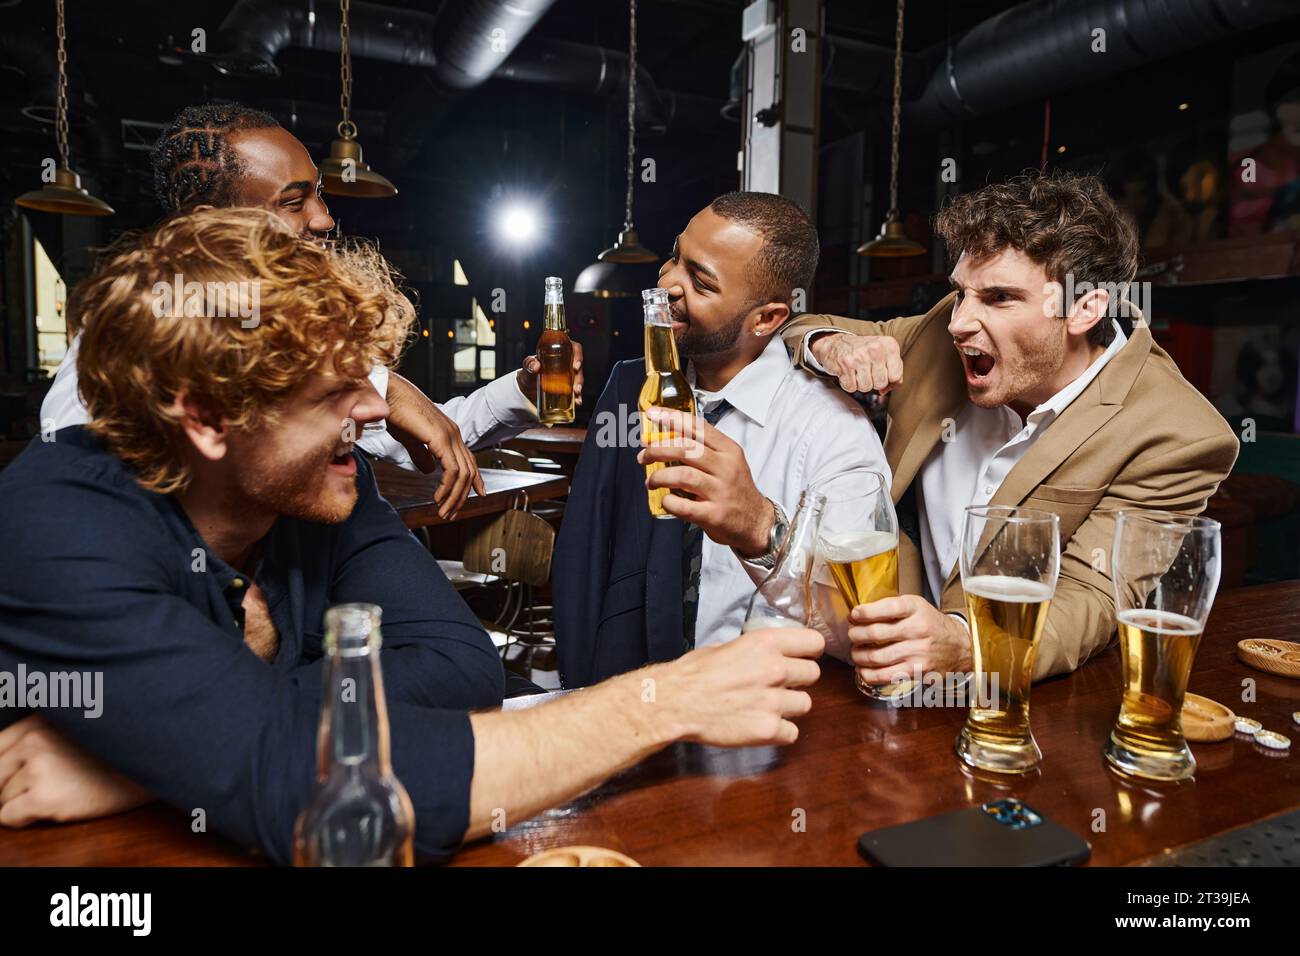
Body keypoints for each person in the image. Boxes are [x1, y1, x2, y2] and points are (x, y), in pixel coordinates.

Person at [0, 208, 822, 862]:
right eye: (336, 393)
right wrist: (663, 701)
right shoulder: (55, 520)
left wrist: (168, 750)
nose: (373, 411)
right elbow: (317, 808)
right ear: (209, 416)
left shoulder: (326, 486)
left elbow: (464, 670)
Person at [781, 171, 1239, 687]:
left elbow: (1092, 599)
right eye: (960, 294)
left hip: (1013, 700)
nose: (959, 322)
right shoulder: (945, 331)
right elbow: (796, 326)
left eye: (999, 297)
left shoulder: (1178, 434)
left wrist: (962, 642)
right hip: (865, 663)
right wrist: (834, 345)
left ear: (1085, 308)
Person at [39, 102, 584, 519]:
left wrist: (523, 392)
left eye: (319, 194)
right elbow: (69, 479)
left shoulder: (304, 343)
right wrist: (382, 382)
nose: (324, 219)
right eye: (294, 201)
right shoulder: (134, 333)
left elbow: (425, 437)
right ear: (213, 223)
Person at [554, 192, 888, 687]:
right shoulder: (631, 388)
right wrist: (578, 690)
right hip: (626, 704)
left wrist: (760, 527)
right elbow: (583, 554)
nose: (667, 282)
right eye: (674, 257)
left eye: (700, 281)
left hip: (754, 716)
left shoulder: (833, 431)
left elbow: (858, 629)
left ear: (768, 318)